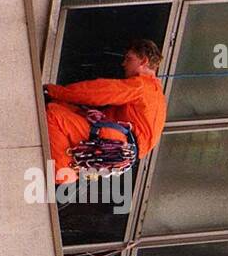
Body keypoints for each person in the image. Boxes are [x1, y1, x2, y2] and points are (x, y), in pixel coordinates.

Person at [44, 38, 168, 185]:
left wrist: (55, 91)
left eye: (129, 59)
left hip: (116, 140)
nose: (124, 64)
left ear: (143, 61)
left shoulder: (141, 86)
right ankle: (68, 169)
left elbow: (97, 92)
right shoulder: (157, 96)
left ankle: (62, 171)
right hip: (121, 153)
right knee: (65, 109)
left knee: (53, 114)